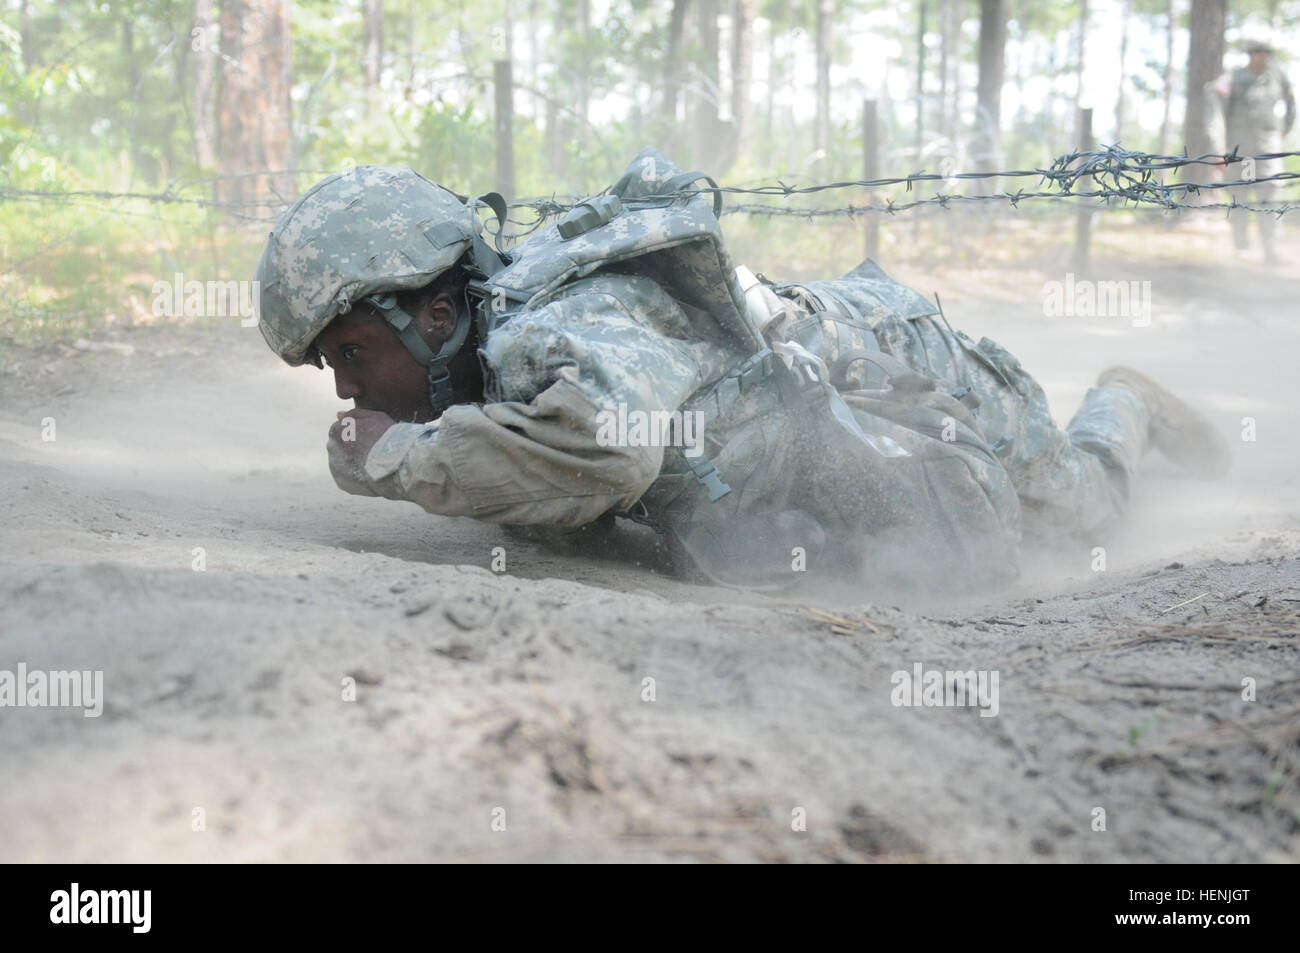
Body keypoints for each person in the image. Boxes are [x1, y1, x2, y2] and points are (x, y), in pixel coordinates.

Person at [254, 150, 1232, 596]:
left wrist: (399, 457)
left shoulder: (551, 332)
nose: (346, 390)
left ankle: (1126, 401)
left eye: (350, 354)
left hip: (903, 358)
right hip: (828, 378)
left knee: (1077, 511)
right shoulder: (491, 353)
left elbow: (606, 455)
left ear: (433, 314)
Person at [1206, 38, 1295, 264]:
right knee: (1240, 198)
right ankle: (1241, 248)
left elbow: (1291, 102)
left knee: (1271, 198)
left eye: (1266, 52)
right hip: (1241, 153)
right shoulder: (1234, 78)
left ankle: (1271, 251)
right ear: (1250, 54)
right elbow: (1214, 95)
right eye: (1257, 52)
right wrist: (1218, 148)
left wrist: (1284, 130)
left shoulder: (1277, 77)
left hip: (1268, 151)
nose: (1261, 56)